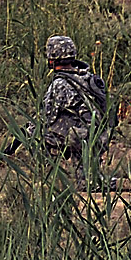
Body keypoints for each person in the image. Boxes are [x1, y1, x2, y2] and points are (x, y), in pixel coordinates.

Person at [40, 35, 108, 174]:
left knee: (39, 133)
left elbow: (46, 118)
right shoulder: (87, 77)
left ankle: (47, 173)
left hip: (81, 138)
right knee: (90, 177)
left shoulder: (60, 84)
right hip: (99, 136)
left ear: (52, 58)